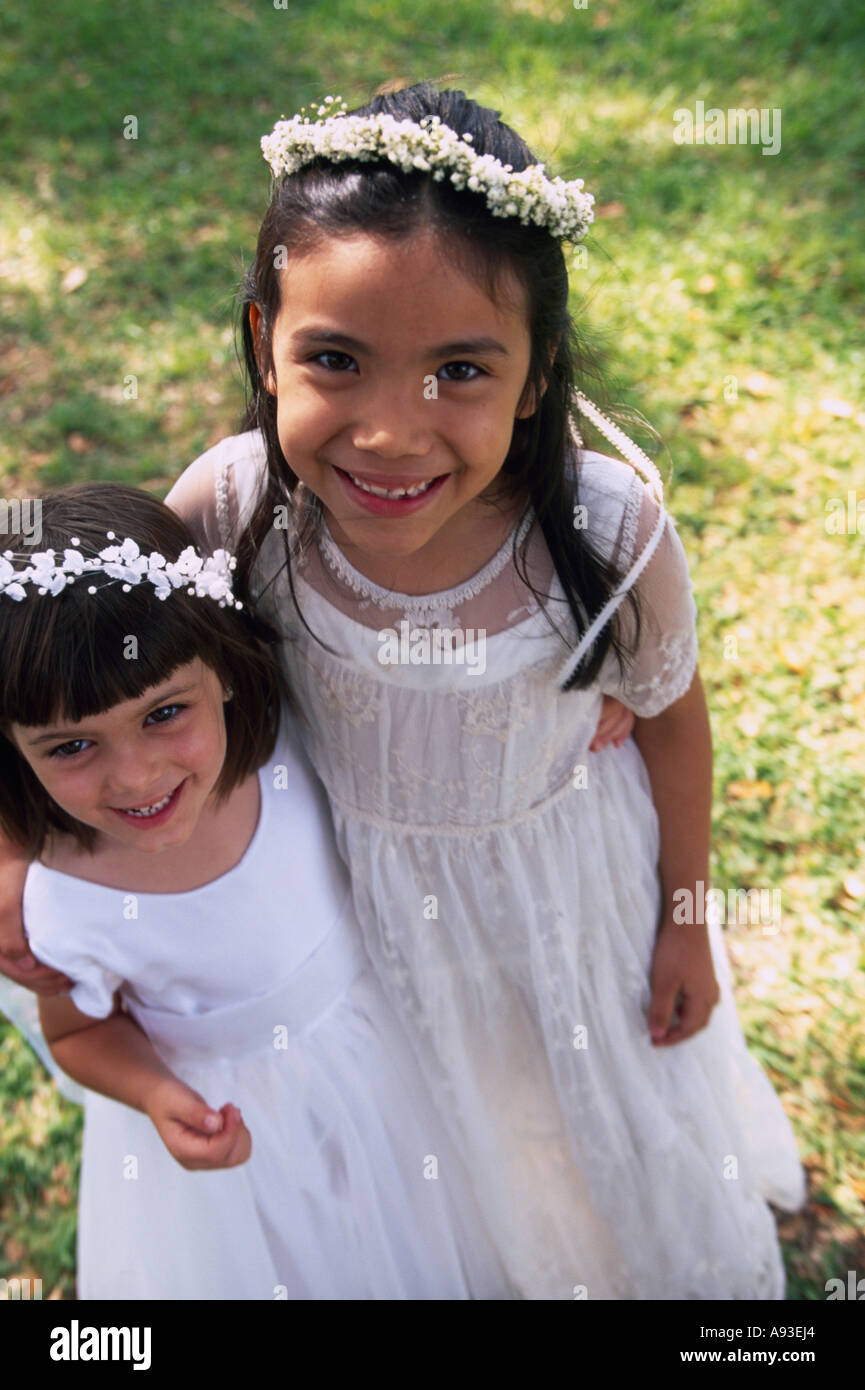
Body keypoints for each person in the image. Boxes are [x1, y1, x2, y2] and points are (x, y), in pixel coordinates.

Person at [161, 84, 807, 1299]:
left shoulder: (608, 536)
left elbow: (670, 717)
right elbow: (107, 686)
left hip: (566, 908)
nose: (392, 434)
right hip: (355, 924)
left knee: (586, 1135)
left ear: (533, 373)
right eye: (335, 360)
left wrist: (684, 915)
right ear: (264, 343)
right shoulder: (233, 511)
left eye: (458, 369)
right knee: (436, 1164)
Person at [0, 482, 513, 1299]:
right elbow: (75, 1036)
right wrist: (160, 1096)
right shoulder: (66, 901)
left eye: (164, 712)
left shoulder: (295, 752)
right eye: (70, 747)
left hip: (385, 1061)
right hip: (236, 1138)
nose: (134, 775)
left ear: (228, 672)